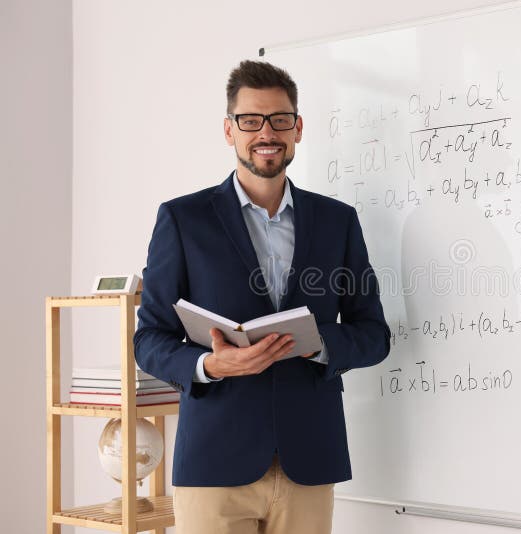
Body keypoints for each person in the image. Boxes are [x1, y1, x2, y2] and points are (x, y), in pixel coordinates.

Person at [134, 60, 391, 534]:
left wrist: (319, 346)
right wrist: (209, 365)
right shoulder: (182, 220)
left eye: (279, 120)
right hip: (214, 463)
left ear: (298, 128)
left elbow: (374, 334)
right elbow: (149, 340)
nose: (265, 132)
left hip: (310, 462)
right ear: (229, 131)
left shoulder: (338, 221)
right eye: (250, 120)